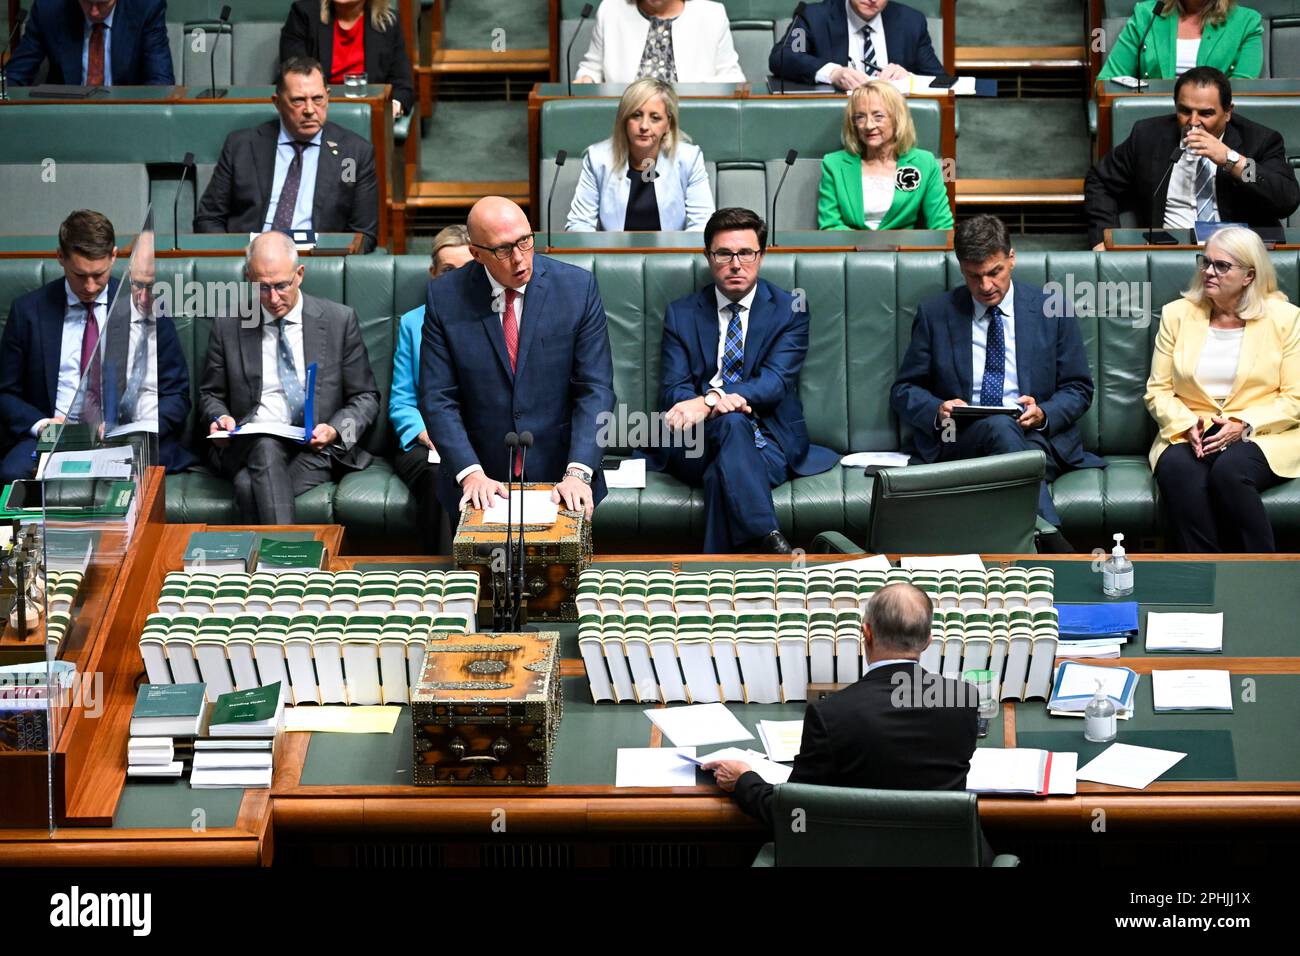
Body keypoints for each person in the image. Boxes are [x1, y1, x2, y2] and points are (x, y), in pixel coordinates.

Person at [705, 582, 987, 863]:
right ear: (928, 640)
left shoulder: (831, 715)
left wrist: (744, 780)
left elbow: (793, 814)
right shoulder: (962, 701)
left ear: (866, 633)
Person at [890, 215, 1102, 549]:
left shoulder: (1052, 308)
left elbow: (1079, 388)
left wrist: (1044, 412)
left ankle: (1017, 564)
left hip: (1034, 437)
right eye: (974, 276)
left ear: (1011, 258)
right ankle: (1055, 546)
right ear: (961, 268)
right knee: (1001, 431)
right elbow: (904, 391)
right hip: (960, 440)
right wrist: (938, 409)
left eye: (995, 272)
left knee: (1010, 438)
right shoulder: (936, 314)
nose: (986, 286)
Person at [646, 207, 838, 553]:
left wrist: (711, 399)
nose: (736, 264)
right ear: (708, 257)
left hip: (770, 440)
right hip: (696, 441)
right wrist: (716, 408)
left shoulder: (789, 309)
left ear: (761, 256)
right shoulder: (682, 312)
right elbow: (673, 390)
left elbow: (776, 382)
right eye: (724, 253)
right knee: (733, 423)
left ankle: (714, 578)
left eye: (746, 253)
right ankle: (766, 537)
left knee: (721, 471)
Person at [418, 197, 615, 525]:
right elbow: (438, 397)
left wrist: (579, 471)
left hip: (563, 476)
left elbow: (595, 389)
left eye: (525, 241)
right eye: (502, 249)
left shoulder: (577, 289)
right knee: (477, 577)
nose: (520, 258)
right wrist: (470, 473)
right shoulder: (445, 297)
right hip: (481, 477)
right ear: (476, 253)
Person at [199, 231, 380, 524]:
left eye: (281, 286)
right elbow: (210, 395)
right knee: (265, 445)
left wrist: (335, 431)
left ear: (299, 274)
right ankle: (286, 565)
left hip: (317, 449)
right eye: (262, 287)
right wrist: (219, 418)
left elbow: (366, 398)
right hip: (248, 444)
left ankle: (269, 567)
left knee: (248, 487)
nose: (272, 298)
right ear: (248, 277)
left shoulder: (338, 320)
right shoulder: (228, 324)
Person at [0, 211, 192, 484]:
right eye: (80, 275)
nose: (90, 286)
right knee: (12, 474)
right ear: (60, 258)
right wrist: (42, 425)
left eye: (99, 275)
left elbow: (177, 394)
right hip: (54, 438)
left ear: (114, 257)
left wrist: (135, 427)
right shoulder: (28, 312)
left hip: (127, 439)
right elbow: (6, 393)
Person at [1145, 227, 1300, 552]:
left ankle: (1260, 575)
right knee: (1176, 469)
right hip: (1193, 430)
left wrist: (1243, 424)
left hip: (1263, 434)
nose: (1208, 272)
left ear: (1249, 275)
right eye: (1205, 262)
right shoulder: (1177, 315)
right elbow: (1158, 391)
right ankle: (1207, 577)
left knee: (1230, 473)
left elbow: (1294, 399)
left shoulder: (1286, 319)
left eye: (1221, 266)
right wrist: (1185, 424)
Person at [1084, 68, 1298, 251]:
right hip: (1170, 252)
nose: (1193, 122)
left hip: (1238, 255)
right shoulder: (1148, 135)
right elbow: (1100, 181)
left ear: (1228, 112)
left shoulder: (1259, 140)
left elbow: (1285, 199)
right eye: (1185, 111)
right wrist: (1102, 239)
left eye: (1206, 114)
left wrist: (1230, 159)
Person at [194, 57, 380, 253]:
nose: (309, 110)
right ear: (277, 102)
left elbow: (364, 235)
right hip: (248, 260)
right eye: (298, 100)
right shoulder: (242, 146)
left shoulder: (353, 154)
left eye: (317, 99)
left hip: (316, 261)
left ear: (328, 96)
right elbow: (209, 218)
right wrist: (233, 257)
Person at [390, 225, 471, 551]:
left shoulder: (497, 318)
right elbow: (402, 402)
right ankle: (442, 582)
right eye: (447, 271)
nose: (455, 280)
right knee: (442, 479)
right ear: (433, 273)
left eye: (467, 271)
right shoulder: (413, 323)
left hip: (481, 436)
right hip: (427, 444)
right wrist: (429, 435)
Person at [101, 228, 197, 473]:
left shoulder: (159, 318)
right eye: (137, 285)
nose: (144, 298)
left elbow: (177, 395)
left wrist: (151, 426)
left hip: (152, 438)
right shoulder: (103, 314)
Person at [566, 77, 714, 233]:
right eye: (636, 115)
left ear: (668, 124)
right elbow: (579, 224)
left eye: (655, 118)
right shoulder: (598, 158)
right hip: (613, 255)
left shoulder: (688, 158)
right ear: (624, 119)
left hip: (672, 255)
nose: (644, 126)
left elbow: (702, 224)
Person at [817, 79, 952, 231]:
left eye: (878, 116)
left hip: (904, 251)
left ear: (897, 118)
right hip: (851, 251)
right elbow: (830, 225)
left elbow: (942, 226)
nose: (868, 125)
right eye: (860, 117)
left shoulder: (925, 163)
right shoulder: (834, 164)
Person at [280, 0, 415, 119]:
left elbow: (402, 84)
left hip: (367, 112)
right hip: (314, 110)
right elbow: (295, 75)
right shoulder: (304, 14)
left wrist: (394, 107)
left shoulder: (388, 22)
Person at [768, 0, 946, 90]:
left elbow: (942, 81)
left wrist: (909, 77)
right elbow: (785, 56)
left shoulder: (911, 22)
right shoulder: (813, 17)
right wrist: (833, 73)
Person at [5, 0, 174, 87]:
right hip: (65, 117)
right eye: (86, 1)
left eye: (102, 3)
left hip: (126, 116)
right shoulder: (48, 9)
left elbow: (160, 82)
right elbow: (15, 76)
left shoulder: (145, 7)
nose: (93, 11)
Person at [574, 0, 745, 84]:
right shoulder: (610, 9)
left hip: (692, 122)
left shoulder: (712, 14)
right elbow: (591, 68)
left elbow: (734, 79)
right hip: (624, 125)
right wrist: (587, 78)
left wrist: (694, 91)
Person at [1098, 0, 1263, 82]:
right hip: (1153, 119)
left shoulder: (1246, 22)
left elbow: (1243, 90)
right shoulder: (1148, 14)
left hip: (1215, 128)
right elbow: (1107, 82)